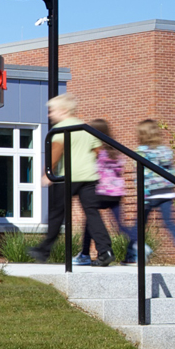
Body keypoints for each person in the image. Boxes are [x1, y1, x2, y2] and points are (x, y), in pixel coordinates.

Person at [28, 96, 108, 265]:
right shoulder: (86, 128)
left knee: (57, 212)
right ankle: (105, 251)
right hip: (89, 176)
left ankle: (44, 250)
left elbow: (55, 152)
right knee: (92, 213)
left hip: (69, 176)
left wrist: (47, 173)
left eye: (52, 110)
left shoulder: (60, 129)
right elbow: (99, 152)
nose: (49, 114)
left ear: (63, 110)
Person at [129, 118, 175, 267]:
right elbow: (172, 172)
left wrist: (141, 195)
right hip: (166, 192)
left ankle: (135, 254)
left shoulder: (141, 152)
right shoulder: (165, 151)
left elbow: (142, 176)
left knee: (138, 225)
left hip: (150, 193)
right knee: (170, 223)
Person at [83, 120, 126, 267]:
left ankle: (86, 253)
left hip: (102, 191)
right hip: (117, 192)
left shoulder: (97, 152)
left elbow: (94, 170)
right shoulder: (115, 150)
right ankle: (137, 246)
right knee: (120, 226)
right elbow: (120, 168)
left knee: (90, 213)